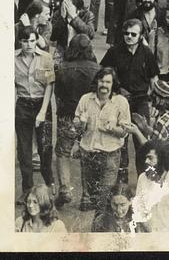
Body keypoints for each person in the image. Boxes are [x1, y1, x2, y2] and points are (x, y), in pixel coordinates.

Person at [100, 18, 160, 183]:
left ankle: (145, 176)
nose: (129, 36)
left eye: (133, 34)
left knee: (142, 140)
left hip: (141, 100)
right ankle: (121, 178)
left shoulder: (147, 53)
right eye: (126, 33)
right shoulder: (114, 52)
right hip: (121, 100)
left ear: (141, 36)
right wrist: (115, 91)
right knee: (121, 140)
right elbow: (104, 74)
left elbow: (154, 78)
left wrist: (153, 102)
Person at [73, 66, 131, 212]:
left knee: (105, 198)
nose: (104, 85)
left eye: (108, 82)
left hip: (110, 155)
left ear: (113, 84)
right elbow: (77, 127)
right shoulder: (86, 99)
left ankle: (100, 228)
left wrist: (112, 129)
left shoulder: (121, 102)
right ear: (96, 82)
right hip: (89, 154)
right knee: (93, 197)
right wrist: (81, 123)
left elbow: (124, 132)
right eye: (101, 81)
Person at [53, 33, 100, 208]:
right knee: (87, 153)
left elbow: (58, 94)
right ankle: (87, 197)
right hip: (88, 116)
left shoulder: (62, 67)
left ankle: (65, 188)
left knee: (63, 152)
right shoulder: (96, 68)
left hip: (67, 115)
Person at [14, 25, 55, 203]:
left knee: (44, 147)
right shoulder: (12, 59)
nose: (29, 44)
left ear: (36, 40)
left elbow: (49, 86)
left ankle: (50, 186)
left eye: (32, 40)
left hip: (41, 104)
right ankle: (27, 189)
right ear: (20, 42)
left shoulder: (46, 58)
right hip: (23, 104)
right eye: (25, 41)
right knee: (24, 150)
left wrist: (43, 111)